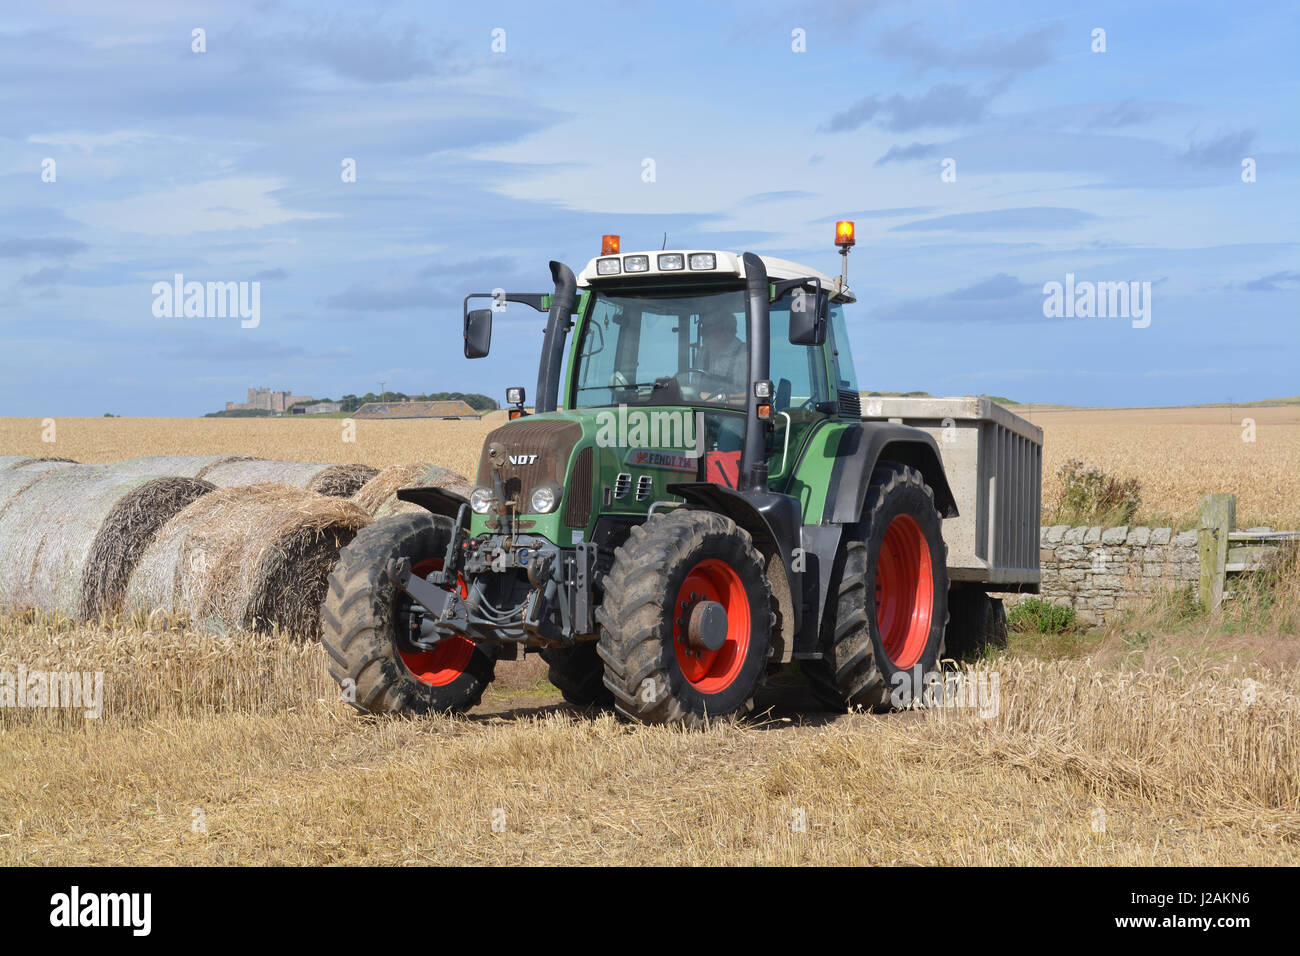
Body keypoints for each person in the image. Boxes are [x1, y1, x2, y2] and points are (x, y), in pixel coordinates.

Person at [694, 307, 747, 399]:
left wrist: (715, 398)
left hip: (732, 412)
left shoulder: (744, 354)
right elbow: (694, 389)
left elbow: (749, 396)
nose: (701, 333)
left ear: (724, 330)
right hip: (700, 411)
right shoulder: (703, 353)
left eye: (707, 329)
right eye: (702, 328)